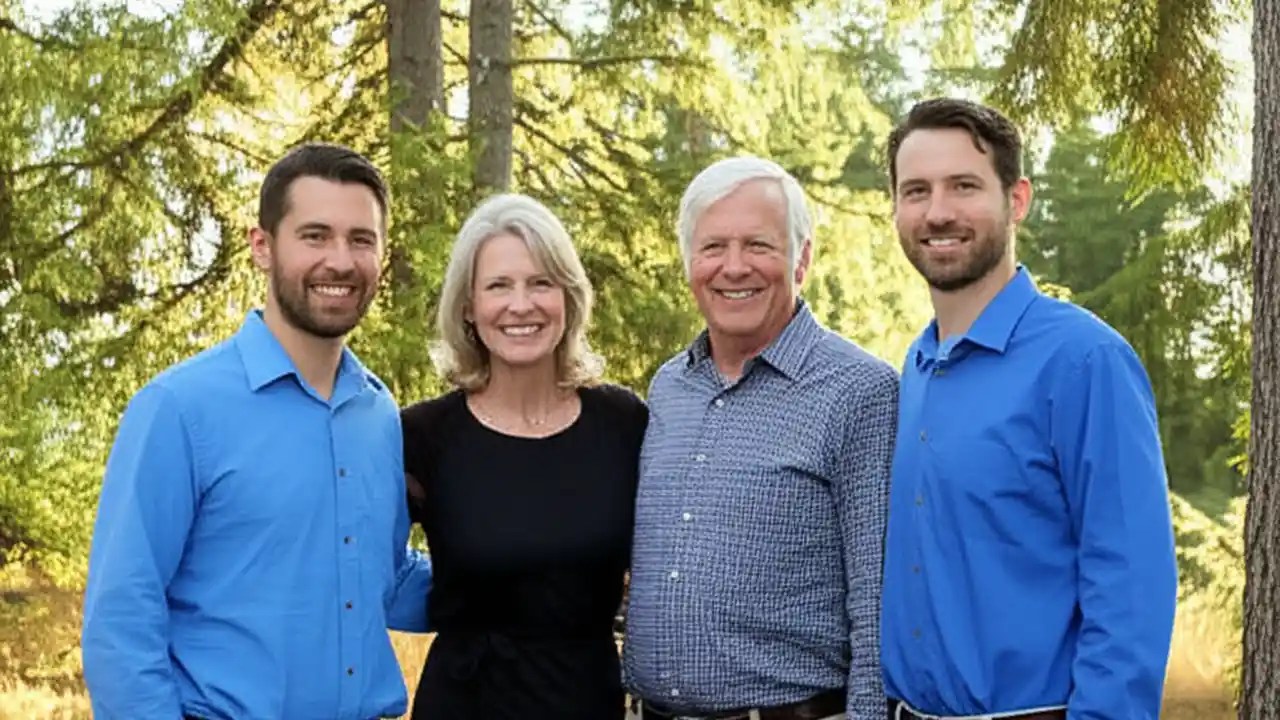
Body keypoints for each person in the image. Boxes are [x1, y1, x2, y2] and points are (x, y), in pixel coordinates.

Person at [81, 143, 433, 720]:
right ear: (262, 248)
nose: (340, 261)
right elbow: (121, 620)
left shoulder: (378, 415)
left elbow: (384, 579)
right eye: (315, 236)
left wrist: (526, 569)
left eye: (360, 239)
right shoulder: (177, 409)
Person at [880, 97, 1178, 720]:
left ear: (1017, 200)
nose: (937, 212)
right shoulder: (917, 364)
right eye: (916, 191)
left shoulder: (1085, 361)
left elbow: (1131, 593)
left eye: (963, 186)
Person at [624, 156, 899, 720]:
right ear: (689, 264)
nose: (734, 267)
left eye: (759, 246)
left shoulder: (862, 391)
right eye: (713, 247)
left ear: (802, 259)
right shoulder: (670, 387)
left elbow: (877, 601)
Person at [400, 193, 648, 719]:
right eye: (498, 286)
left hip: (588, 703)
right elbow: (356, 566)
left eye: (541, 282)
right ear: (468, 306)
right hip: (465, 705)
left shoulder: (624, 422)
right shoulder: (422, 435)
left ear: (569, 296)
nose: (521, 305)